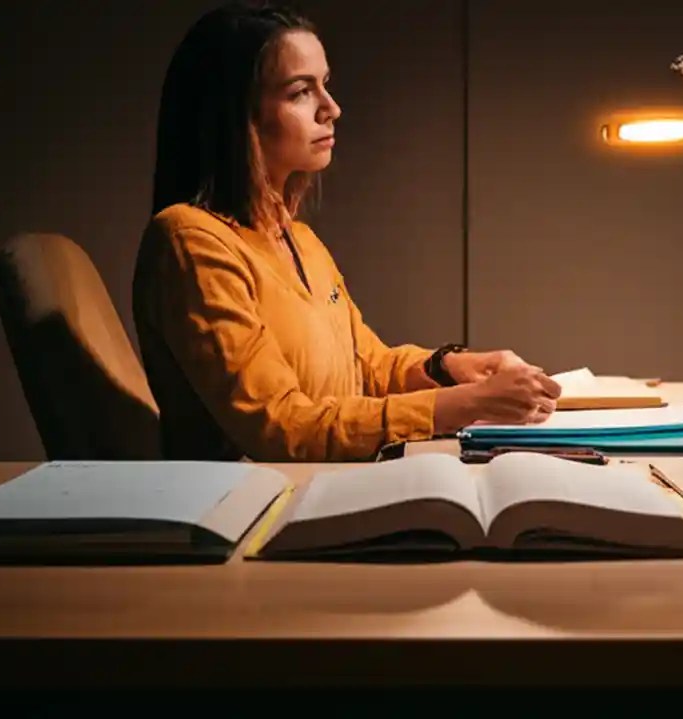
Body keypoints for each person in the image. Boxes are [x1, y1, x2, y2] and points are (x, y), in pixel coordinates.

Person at [133, 1, 560, 462]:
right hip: (255, 509)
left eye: (326, 86)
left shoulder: (299, 240)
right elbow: (278, 427)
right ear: (236, 115)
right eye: (300, 92)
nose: (331, 109)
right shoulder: (190, 240)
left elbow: (367, 367)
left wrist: (450, 365)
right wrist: (466, 404)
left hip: (326, 482)